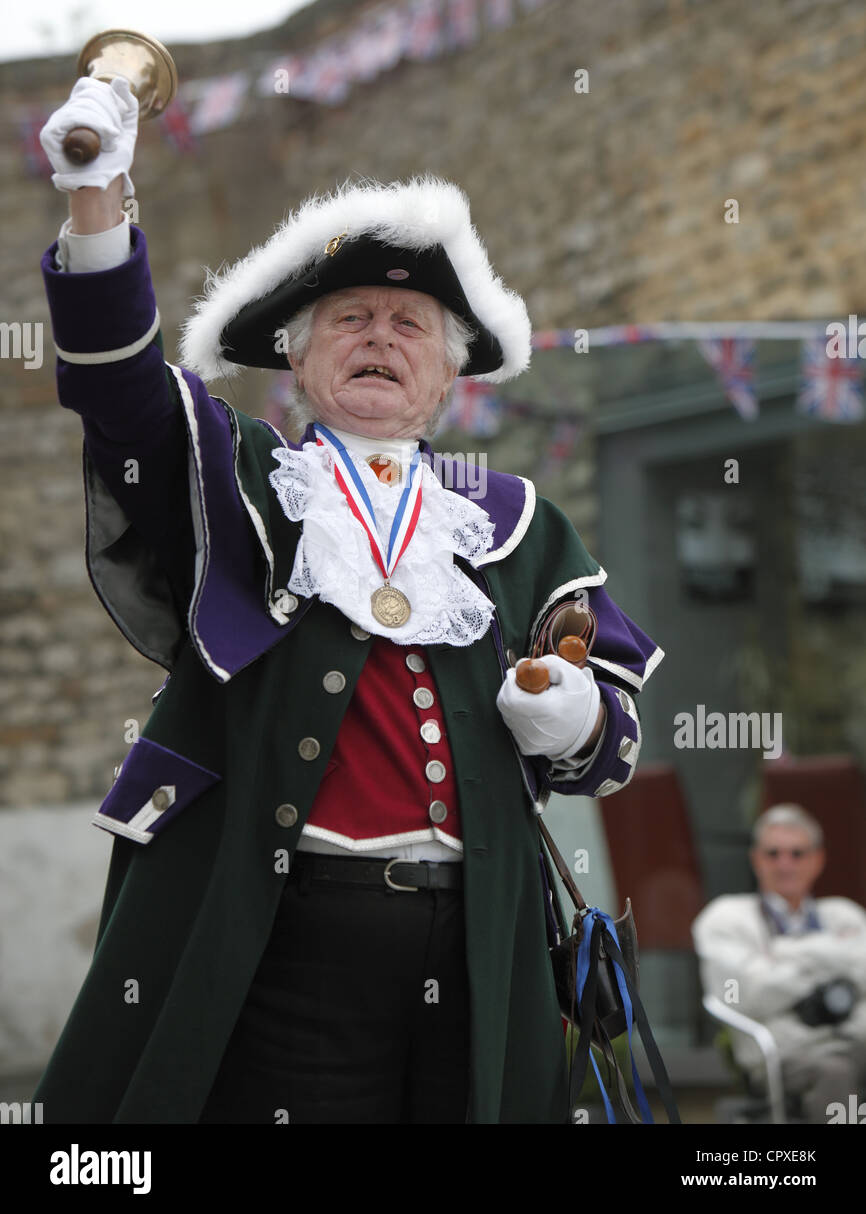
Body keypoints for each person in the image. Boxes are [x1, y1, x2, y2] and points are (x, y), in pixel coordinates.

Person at [33, 74, 663, 1124]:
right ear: (297, 353)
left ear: (448, 375)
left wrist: (576, 717)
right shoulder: (239, 481)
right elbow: (119, 390)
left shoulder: (513, 521)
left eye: (410, 323)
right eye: (351, 317)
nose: (380, 336)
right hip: (277, 941)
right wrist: (97, 197)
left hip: (478, 949)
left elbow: (611, 746)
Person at [692, 803, 866, 1123]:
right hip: (781, 1053)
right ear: (756, 859)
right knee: (835, 1070)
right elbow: (750, 994)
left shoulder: (844, 914)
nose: (785, 864)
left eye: (797, 853)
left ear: (818, 859)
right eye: (773, 854)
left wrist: (787, 953)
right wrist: (837, 961)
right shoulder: (725, 917)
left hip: (855, 1038)